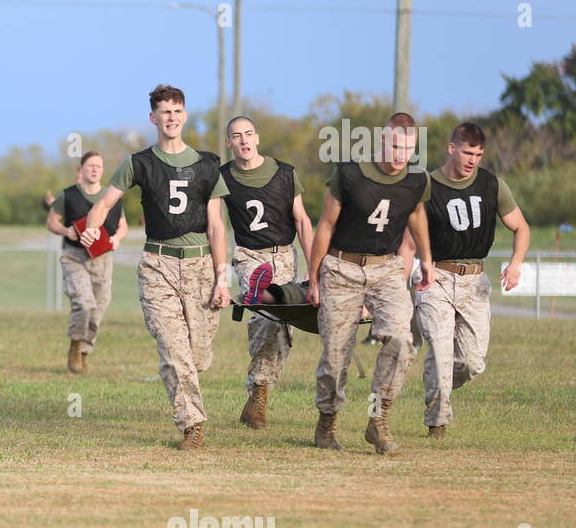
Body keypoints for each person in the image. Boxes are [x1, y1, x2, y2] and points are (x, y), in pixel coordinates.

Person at [79, 84, 231, 450]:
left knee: (196, 356)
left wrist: (222, 277)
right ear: (153, 118)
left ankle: (185, 384)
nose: (171, 118)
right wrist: (92, 227)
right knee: (173, 346)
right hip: (158, 264)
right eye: (165, 112)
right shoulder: (139, 163)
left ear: (185, 115)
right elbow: (104, 202)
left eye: (177, 111)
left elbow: (215, 225)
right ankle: (192, 424)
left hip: (200, 267)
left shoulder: (208, 164)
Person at [307, 112, 435, 455]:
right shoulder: (349, 174)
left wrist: (427, 260)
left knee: (401, 340)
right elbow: (325, 226)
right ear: (382, 140)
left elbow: (417, 216)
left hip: (387, 270)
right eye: (395, 145)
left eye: (407, 149)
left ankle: (377, 420)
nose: (399, 155)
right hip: (341, 268)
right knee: (335, 358)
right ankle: (327, 420)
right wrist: (314, 277)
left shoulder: (417, 181)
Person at [405, 121, 530, 438]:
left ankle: (440, 382)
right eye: (467, 152)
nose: (473, 159)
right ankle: (437, 423)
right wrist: (411, 270)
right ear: (452, 148)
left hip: (475, 281)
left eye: (479, 153)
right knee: (440, 350)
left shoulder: (492, 184)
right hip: (436, 278)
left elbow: (521, 228)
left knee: (473, 362)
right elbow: (408, 239)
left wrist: (515, 265)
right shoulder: (427, 185)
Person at [220, 117, 315, 429]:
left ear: (257, 138)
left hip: (284, 255)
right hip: (249, 256)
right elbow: (214, 223)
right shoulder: (222, 178)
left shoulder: (284, 173)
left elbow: (301, 221)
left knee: (283, 330)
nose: (244, 141)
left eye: (248, 134)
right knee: (266, 316)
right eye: (237, 136)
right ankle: (259, 392)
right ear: (229, 143)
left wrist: (316, 271)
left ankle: (259, 393)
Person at [47, 152, 128, 373]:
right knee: (84, 303)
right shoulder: (68, 195)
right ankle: (74, 345)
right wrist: (67, 231)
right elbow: (51, 222)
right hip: (74, 256)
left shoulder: (111, 197)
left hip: (103, 259)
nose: (94, 170)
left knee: (98, 309)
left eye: (99, 166)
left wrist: (117, 238)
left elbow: (123, 225)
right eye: (90, 166)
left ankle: (84, 350)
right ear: (81, 169)